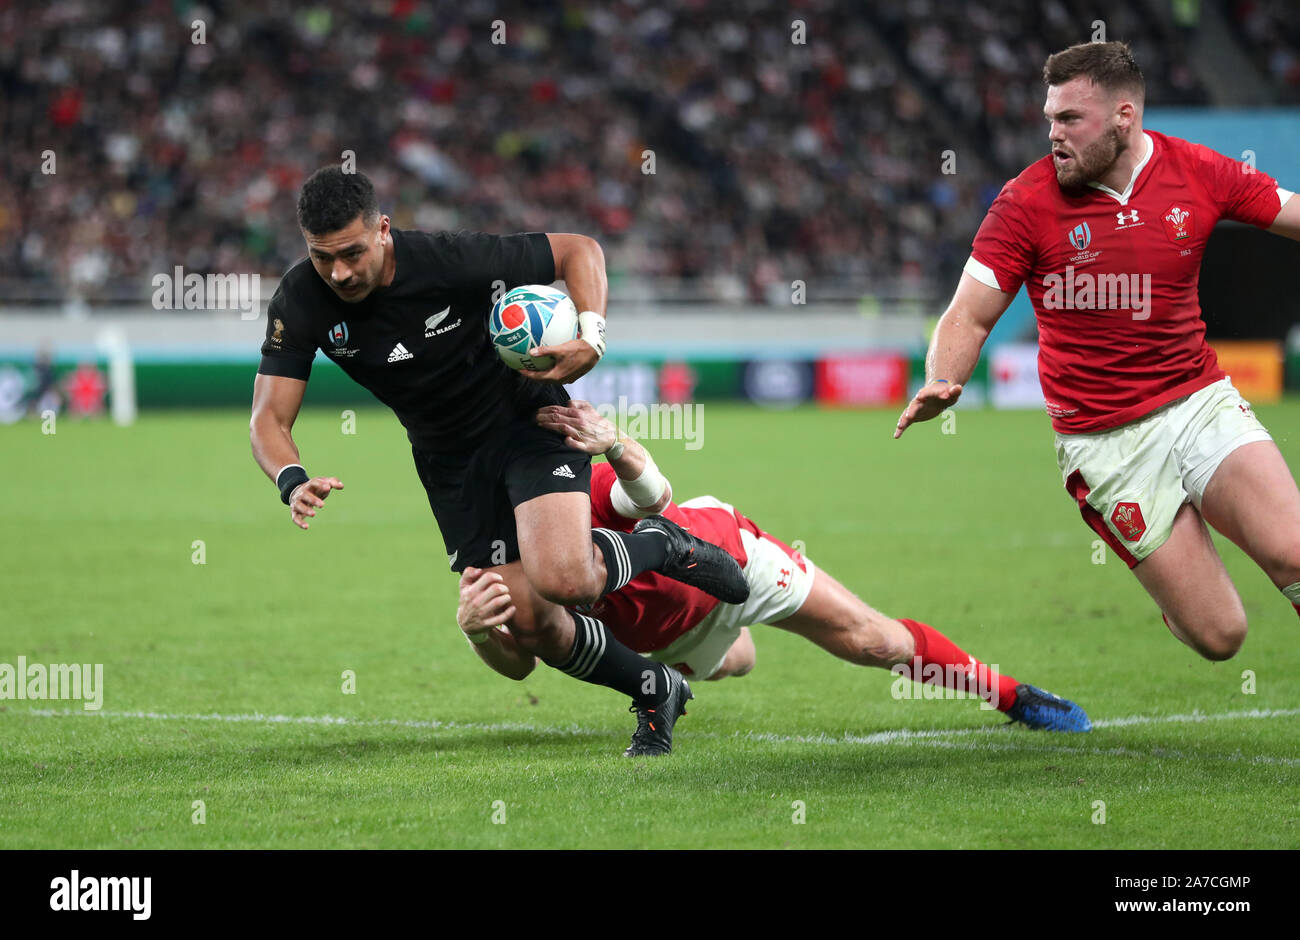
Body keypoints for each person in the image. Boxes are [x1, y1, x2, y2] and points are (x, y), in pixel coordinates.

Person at [250, 166, 749, 755]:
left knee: (565, 577)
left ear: (383, 230)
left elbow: (579, 251)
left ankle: (668, 544)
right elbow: (268, 420)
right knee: (532, 625)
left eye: (352, 253)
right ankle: (653, 686)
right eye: (321, 257)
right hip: (449, 465)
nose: (338, 272)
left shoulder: (449, 260)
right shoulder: (301, 299)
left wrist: (591, 335)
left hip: (528, 425)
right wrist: (292, 478)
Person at [895, 42, 1300, 661]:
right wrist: (943, 378)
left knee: (1292, 552)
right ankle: (1178, 594)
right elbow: (968, 315)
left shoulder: (1196, 170)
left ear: (1124, 116)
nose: (1054, 135)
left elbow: (1285, 209)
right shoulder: (1024, 203)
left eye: (1069, 120)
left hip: (1198, 403)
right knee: (1222, 635)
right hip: (1104, 442)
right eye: (1050, 119)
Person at [457, 400, 1092, 754]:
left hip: (725, 558)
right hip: (670, 636)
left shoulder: (565, 490)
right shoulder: (486, 550)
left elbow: (651, 493)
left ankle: (1012, 695)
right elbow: (520, 664)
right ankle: (710, 654)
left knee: (876, 642)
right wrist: (478, 633)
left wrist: (616, 443)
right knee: (737, 662)